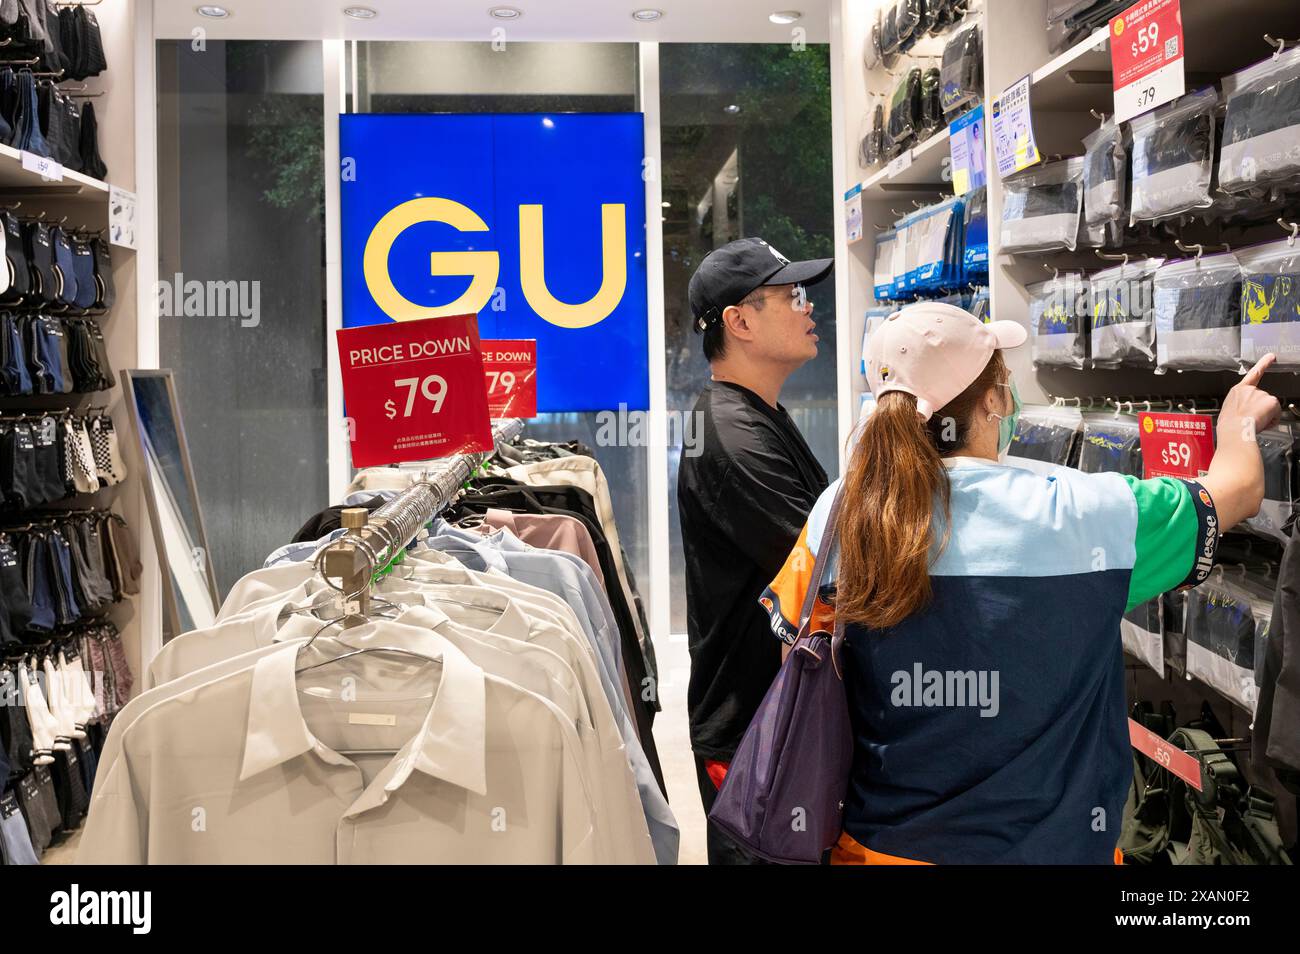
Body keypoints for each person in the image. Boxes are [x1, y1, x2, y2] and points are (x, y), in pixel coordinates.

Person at [762, 301, 1280, 865]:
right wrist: (1237, 421)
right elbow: (1240, 489)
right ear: (990, 400)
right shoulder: (1086, 514)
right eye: (1003, 383)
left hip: (880, 850)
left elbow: (797, 649)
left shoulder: (838, 512)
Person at [677, 237, 833, 864]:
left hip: (773, 726)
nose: (807, 308)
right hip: (752, 741)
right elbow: (826, 565)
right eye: (791, 296)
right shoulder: (730, 433)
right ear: (739, 321)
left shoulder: (756, 414)